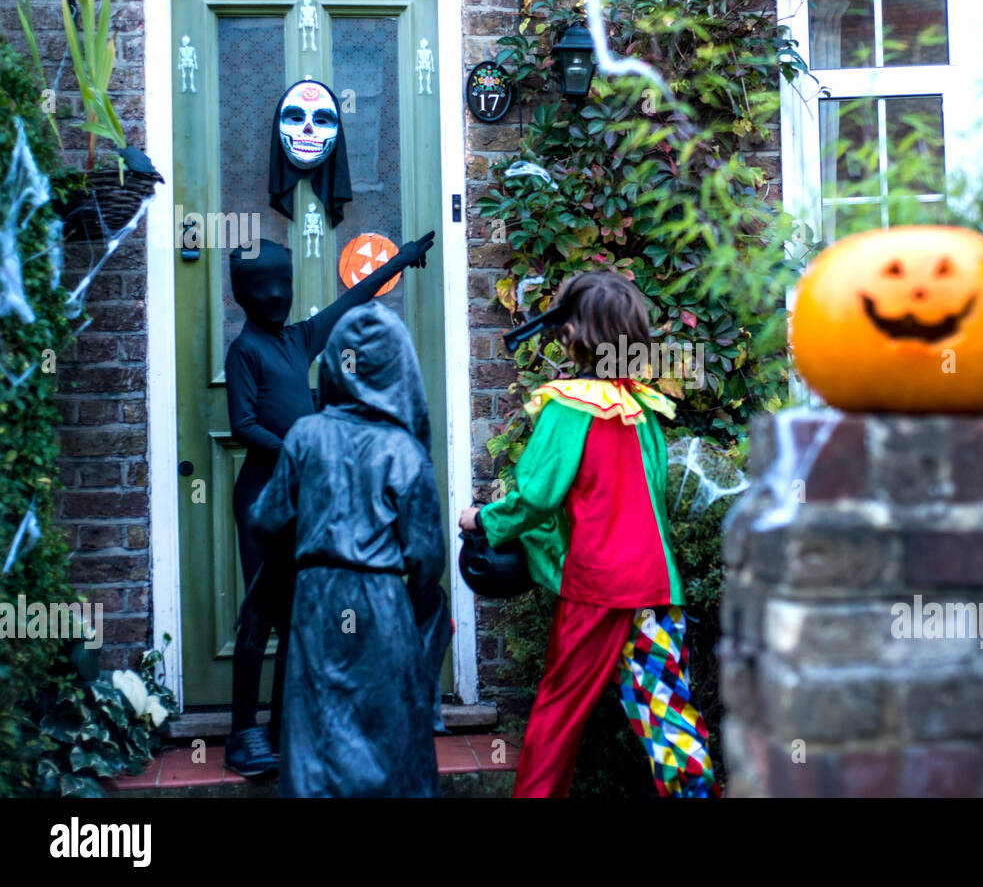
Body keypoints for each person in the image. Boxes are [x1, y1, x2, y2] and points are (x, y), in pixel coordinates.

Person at [459, 271, 719, 798]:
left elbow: (537, 495)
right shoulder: (642, 408)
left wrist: (483, 520)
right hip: (654, 583)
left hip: (597, 586)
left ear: (573, 332)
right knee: (667, 712)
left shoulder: (570, 405)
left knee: (559, 709)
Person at [223, 231, 433, 776]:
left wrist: (403, 259)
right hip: (262, 496)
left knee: (295, 614)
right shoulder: (245, 349)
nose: (276, 295)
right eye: (263, 286)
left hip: (301, 495)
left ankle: (280, 724)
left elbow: (349, 301)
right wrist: (300, 447)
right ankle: (241, 733)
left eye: (283, 285)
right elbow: (242, 424)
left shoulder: (298, 340)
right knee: (258, 614)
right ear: (243, 294)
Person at [250, 302, 449, 797]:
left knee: (319, 731)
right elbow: (426, 554)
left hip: (319, 601)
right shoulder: (403, 451)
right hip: (381, 604)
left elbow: (267, 519)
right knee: (389, 731)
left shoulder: (305, 436)